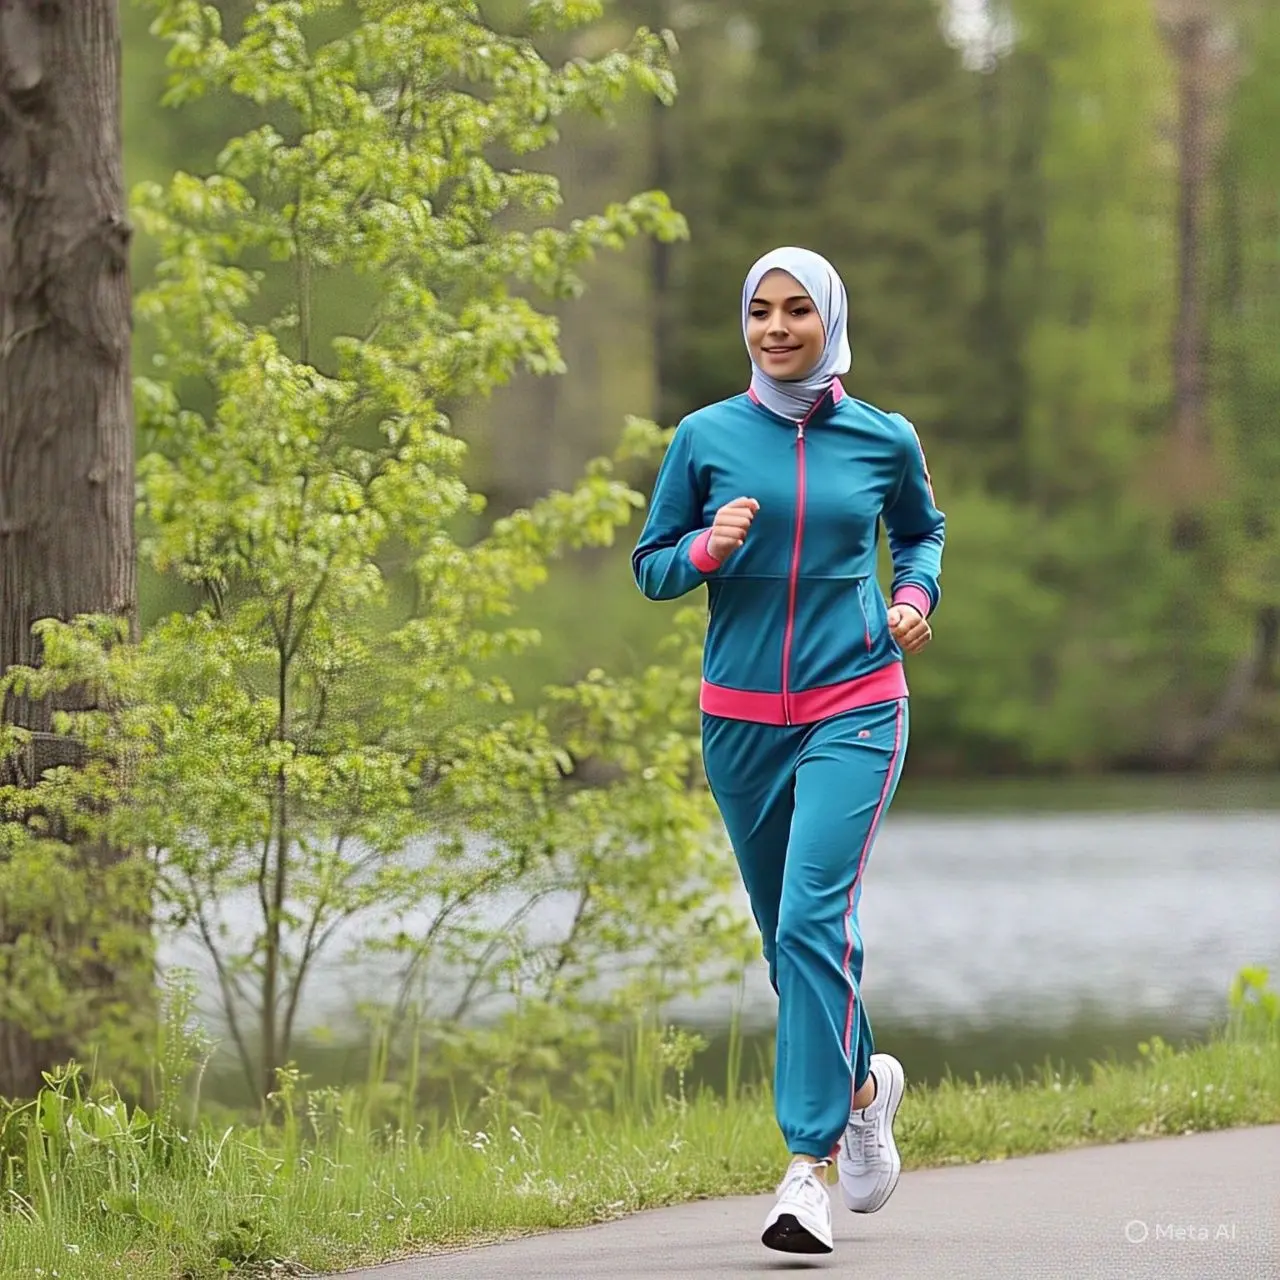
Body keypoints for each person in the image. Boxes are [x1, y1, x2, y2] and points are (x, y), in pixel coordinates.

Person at [630, 246, 945, 1255]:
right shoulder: (704, 436)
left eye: (795, 311)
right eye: (759, 311)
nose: (774, 327)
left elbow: (921, 531)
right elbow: (650, 565)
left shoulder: (879, 437)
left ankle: (802, 1166)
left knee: (813, 915)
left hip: (854, 702)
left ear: (830, 321)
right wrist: (702, 551)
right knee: (784, 939)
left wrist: (910, 596)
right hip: (737, 720)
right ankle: (862, 1085)